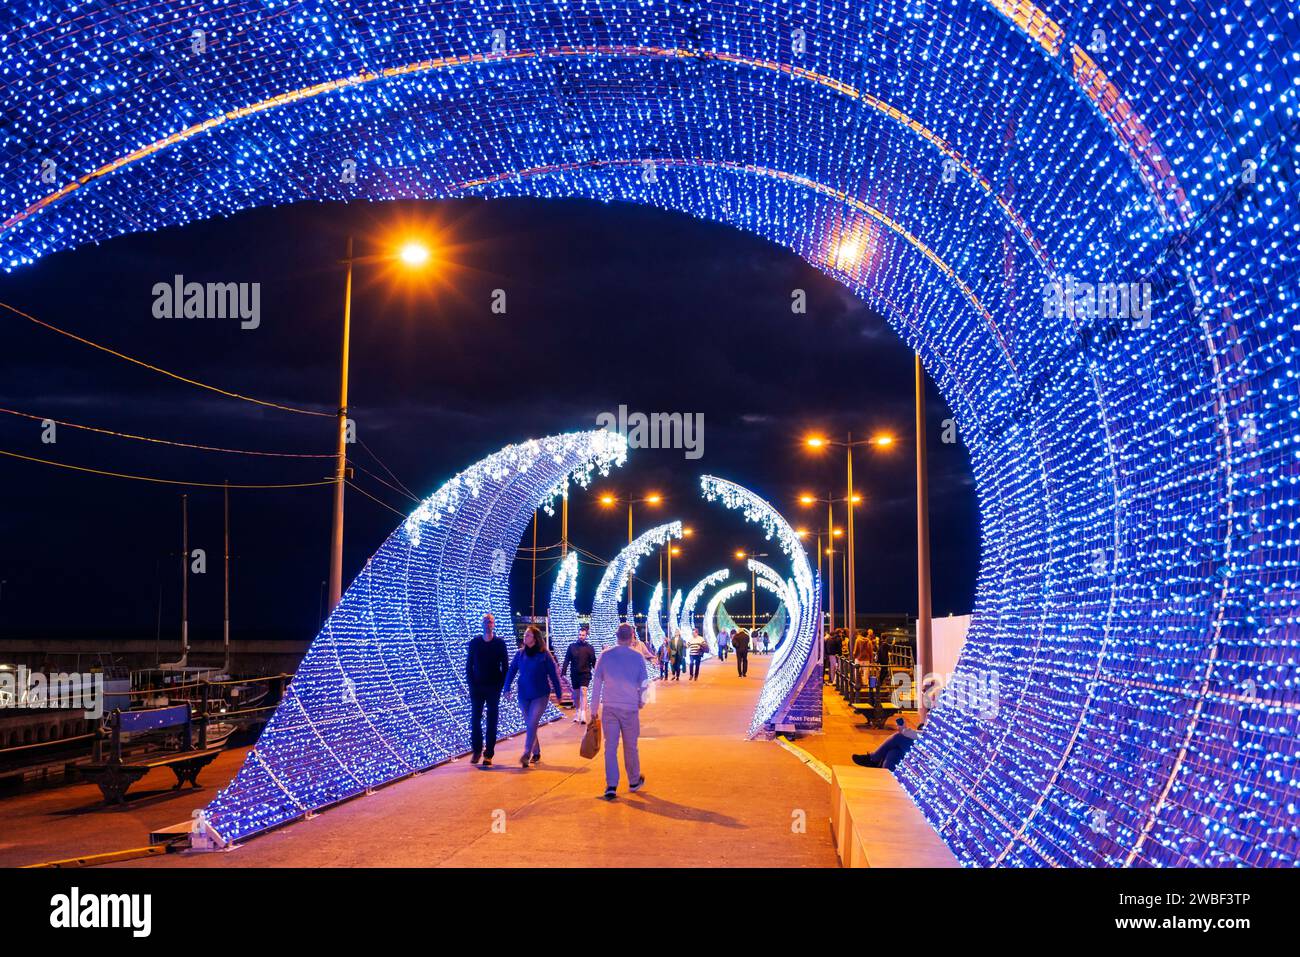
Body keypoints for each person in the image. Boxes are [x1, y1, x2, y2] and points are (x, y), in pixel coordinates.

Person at [590, 623, 649, 799]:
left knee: (610, 747)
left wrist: (593, 710)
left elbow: (597, 683)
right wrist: (642, 701)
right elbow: (644, 683)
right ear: (632, 637)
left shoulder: (605, 655)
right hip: (630, 707)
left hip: (610, 708)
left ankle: (611, 785)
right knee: (631, 746)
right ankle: (633, 781)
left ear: (616, 636)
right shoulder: (637, 657)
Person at [503, 624, 563, 768]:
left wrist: (559, 692)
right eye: (525, 634)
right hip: (523, 694)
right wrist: (506, 687)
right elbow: (511, 671)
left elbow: (553, 674)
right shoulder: (520, 654)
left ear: (535, 639)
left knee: (532, 722)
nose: (525, 636)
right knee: (530, 724)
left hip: (540, 695)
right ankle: (536, 751)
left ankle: (526, 753)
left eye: (528, 635)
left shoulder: (544, 654)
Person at [465, 612, 510, 767]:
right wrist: (471, 684)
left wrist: (503, 686)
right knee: (475, 719)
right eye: (485, 621)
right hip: (477, 688)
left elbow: (505, 666)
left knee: (492, 720)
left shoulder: (500, 643)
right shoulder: (475, 643)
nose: (488, 623)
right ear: (482, 624)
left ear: (494, 624)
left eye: (490, 621)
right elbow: (468, 665)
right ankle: (477, 749)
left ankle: (488, 754)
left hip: (493, 688)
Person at [560, 624, 597, 723]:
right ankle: (578, 711)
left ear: (586, 636)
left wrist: (598, 672)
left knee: (583, 692)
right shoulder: (571, 647)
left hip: (585, 673)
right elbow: (567, 660)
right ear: (578, 635)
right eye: (580, 635)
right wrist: (563, 671)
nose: (581, 636)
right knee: (576, 695)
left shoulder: (590, 648)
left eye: (583, 635)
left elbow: (594, 661)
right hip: (574, 673)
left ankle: (583, 714)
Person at [852, 717, 920, 770]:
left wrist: (904, 731)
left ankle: (873, 759)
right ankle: (881, 770)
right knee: (894, 752)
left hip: (925, 749)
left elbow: (925, 735)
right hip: (922, 745)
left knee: (898, 737)